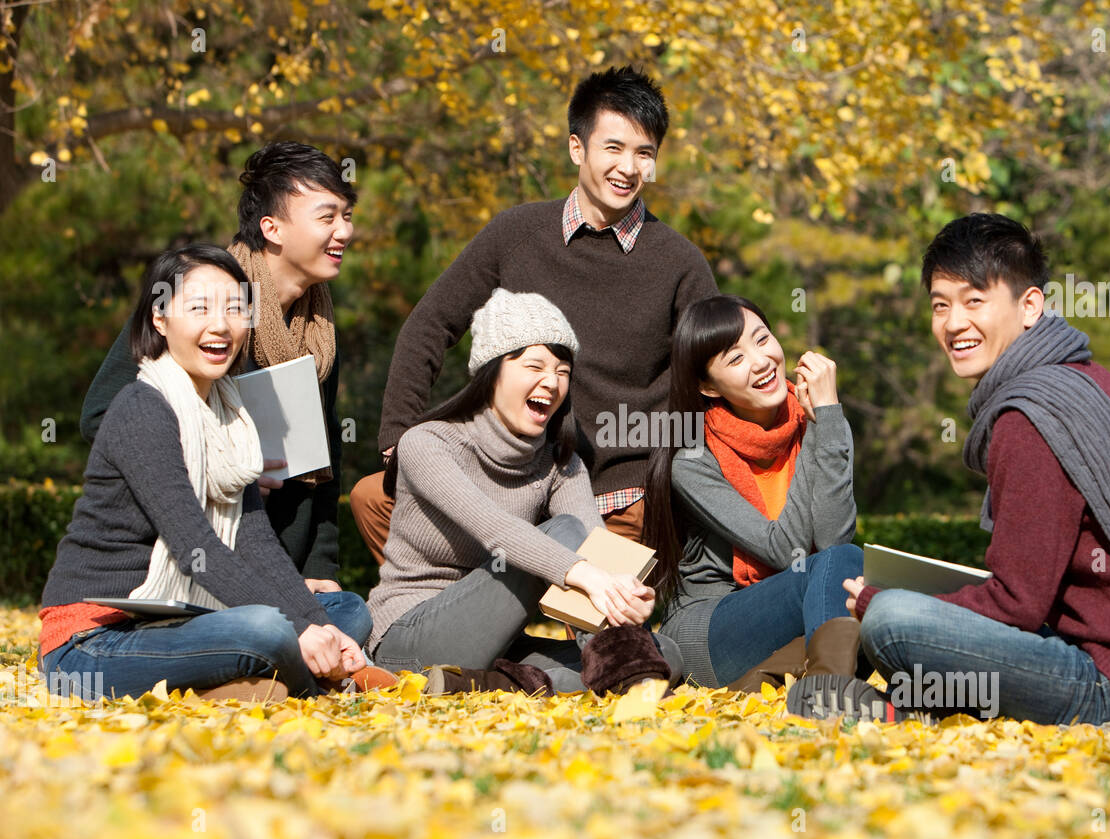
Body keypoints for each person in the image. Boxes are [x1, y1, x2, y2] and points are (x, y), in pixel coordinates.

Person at [786, 213, 1110, 731]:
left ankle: (901, 711)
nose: (954, 323)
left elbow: (1016, 604)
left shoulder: (1032, 414)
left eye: (975, 300)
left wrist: (882, 601)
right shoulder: (1082, 381)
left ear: (1029, 306)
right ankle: (916, 708)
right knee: (905, 612)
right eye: (940, 305)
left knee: (892, 621)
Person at [351, 64, 718, 560]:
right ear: (576, 148)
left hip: (623, 490)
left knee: (601, 630)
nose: (628, 168)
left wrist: (669, 470)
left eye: (644, 154)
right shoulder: (515, 234)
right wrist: (398, 440)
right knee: (375, 499)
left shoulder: (679, 262)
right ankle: (466, 629)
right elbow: (430, 325)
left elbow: (712, 379)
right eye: (613, 148)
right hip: (509, 473)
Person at [40, 245, 372, 701]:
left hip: (179, 619)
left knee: (345, 611)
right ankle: (295, 679)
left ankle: (242, 683)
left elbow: (255, 542)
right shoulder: (143, 407)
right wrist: (301, 628)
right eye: (199, 307)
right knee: (270, 627)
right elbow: (197, 546)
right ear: (160, 319)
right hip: (93, 642)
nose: (220, 325)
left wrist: (318, 626)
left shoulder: (230, 416)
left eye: (236, 308)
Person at [366, 288, 677, 696]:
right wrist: (591, 576)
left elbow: (599, 549)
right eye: (535, 365)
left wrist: (624, 597)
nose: (551, 382)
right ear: (492, 371)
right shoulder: (427, 444)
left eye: (563, 371)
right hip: (411, 637)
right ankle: (629, 678)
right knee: (562, 532)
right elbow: (498, 531)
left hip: (498, 644)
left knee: (664, 654)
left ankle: (485, 684)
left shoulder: (561, 464)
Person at [80, 142, 356, 595]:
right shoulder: (198, 300)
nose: (343, 231)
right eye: (327, 217)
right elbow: (102, 416)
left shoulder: (319, 331)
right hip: (189, 556)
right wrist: (225, 469)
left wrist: (320, 568)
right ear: (272, 228)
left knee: (349, 615)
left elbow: (327, 464)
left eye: (346, 216)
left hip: (283, 562)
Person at [640, 294, 864, 690]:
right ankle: (826, 691)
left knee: (860, 575)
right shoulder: (692, 458)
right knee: (841, 568)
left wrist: (825, 422)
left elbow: (831, 539)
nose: (760, 361)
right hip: (710, 628)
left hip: (794, 603)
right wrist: (821, 426)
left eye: (762, 340)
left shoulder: (822, 419)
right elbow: (787, 549)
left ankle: (800, 680)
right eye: (735, 358)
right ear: (707, 386)